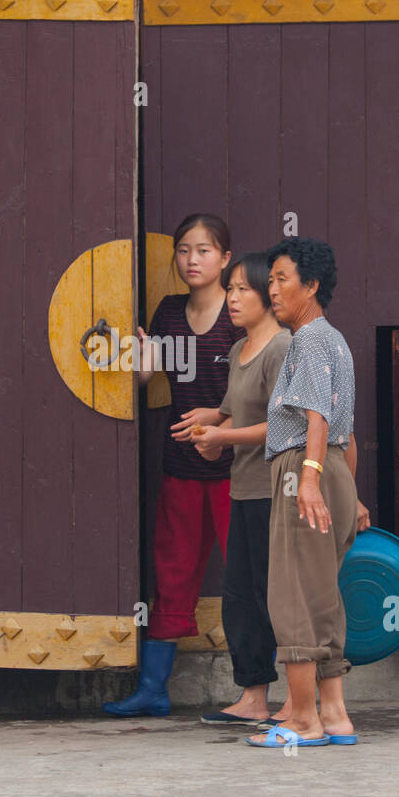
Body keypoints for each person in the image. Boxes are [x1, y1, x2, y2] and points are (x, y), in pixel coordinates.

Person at [103, 214, 245, 716]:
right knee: (173, 574)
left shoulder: (241, 314)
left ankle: (265, 696)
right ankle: (153, 690)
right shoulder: (166, 312)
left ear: (226, 258)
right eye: (184, 251)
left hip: (237, 471)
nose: (192, 260)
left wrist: (223, 419)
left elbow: (267, 390)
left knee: (251, 579)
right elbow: (149, 378)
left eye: (204, 251)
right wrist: (141, 368)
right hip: (182, 467)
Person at [246, 237, 372, 749]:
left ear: (311, 286)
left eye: (282, 279)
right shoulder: (334, 339)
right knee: (322, 596)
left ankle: (301, 719)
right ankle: (335, 715)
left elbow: (317, 417)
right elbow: (347, 429)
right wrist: (347, 490)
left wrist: (312, 479)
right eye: (270, 280)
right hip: (333, 468)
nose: (271, 289)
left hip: (305, 469)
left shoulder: (308, 340)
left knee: (293, 594)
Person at [188, 253, 294, 726]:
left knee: (280, 596)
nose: (231, 299)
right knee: (240, 598)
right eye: (228, 290)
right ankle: (253, 698)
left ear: (268, 299)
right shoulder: (238, 351)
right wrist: (212, 439)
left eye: (241, 290)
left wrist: (223, 436)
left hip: (278, 491)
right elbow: (236, 415)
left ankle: (298, 699)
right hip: (244, 489)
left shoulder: (283, 348)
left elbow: (283, 426)